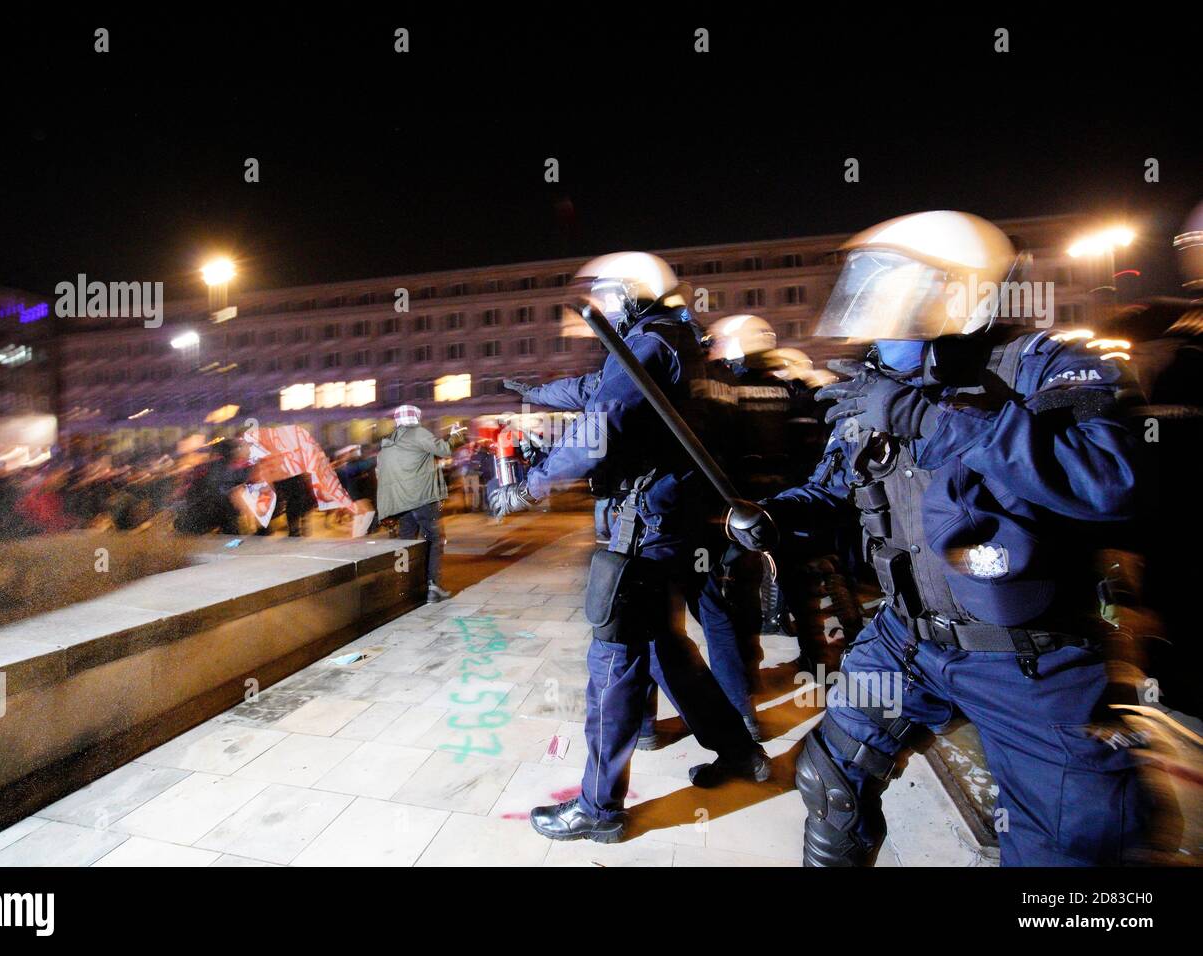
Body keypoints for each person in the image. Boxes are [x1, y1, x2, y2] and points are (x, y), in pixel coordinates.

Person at [727, 210, 1147, 866]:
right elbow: (834, 488)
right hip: (906, 639)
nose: (878, 313)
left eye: (896, 292)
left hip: (1030, 662)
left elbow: (1109, 480)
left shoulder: (1046, 365)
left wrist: (930, 420)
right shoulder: (880, 390)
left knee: (1068, 857)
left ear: (961, 293)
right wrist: (773, 517)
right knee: (829, 778)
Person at [490, 251, 769, 843]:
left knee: (613, 660)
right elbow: (597, 387)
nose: (609, 307)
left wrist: (529, 487)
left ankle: (598, 807)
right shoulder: (674, 342)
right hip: (672, 518)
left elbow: (601, 425)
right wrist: (539, 392)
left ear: (636, 295)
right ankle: (740, 752)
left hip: (642, 524)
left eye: (614, 295)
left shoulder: (650, 344)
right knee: (668, 649)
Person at [376, 405, 465, 602]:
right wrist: (456, 436)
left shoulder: (388, 442)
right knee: (433, 539)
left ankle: (404, 586)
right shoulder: (417, 433)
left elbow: (379, 473)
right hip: (422, 498)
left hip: (400, 502)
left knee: (406, 542)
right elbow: (445, 449)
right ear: (415, 418)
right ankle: (432, 586)